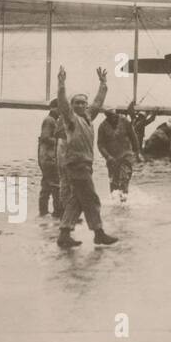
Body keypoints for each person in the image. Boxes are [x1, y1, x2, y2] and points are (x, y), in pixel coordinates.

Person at [55, 66, 119, 248]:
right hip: (76, 165)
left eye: (84, 103)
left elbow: (98, 103)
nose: (81, 105)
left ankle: (64, 234)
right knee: (91, 199)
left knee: (77, 200)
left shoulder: (88, 117)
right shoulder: (71, 120)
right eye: (77, 103)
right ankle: (98, 233)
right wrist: (61, 84)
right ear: (72, 105)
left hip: (85, 165)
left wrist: (103, 84)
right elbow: (62, 104)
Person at [97, 108, 141, 200]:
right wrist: (107, 156)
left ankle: (124, 200)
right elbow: (100, 144)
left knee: (125, 177)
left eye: (114, 115)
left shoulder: (125, 121)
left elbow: (133, 137)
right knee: (113, 182)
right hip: (112, 157)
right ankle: (115, 205)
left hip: (126, 155)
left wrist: (137, 152)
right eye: (110, 116)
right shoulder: (102, 126)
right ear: (106, 116)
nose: (113, 117)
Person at [37, 100, 61, 216]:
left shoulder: (52, 120)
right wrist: (61, 142)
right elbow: (45, 137)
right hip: (49, 158)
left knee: (46, 186)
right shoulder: (49, 121)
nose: (61, 111)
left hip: (45, 158)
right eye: (59, 108)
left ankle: (43, 212)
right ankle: (58, 212)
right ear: (53, 108)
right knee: (56, 185)